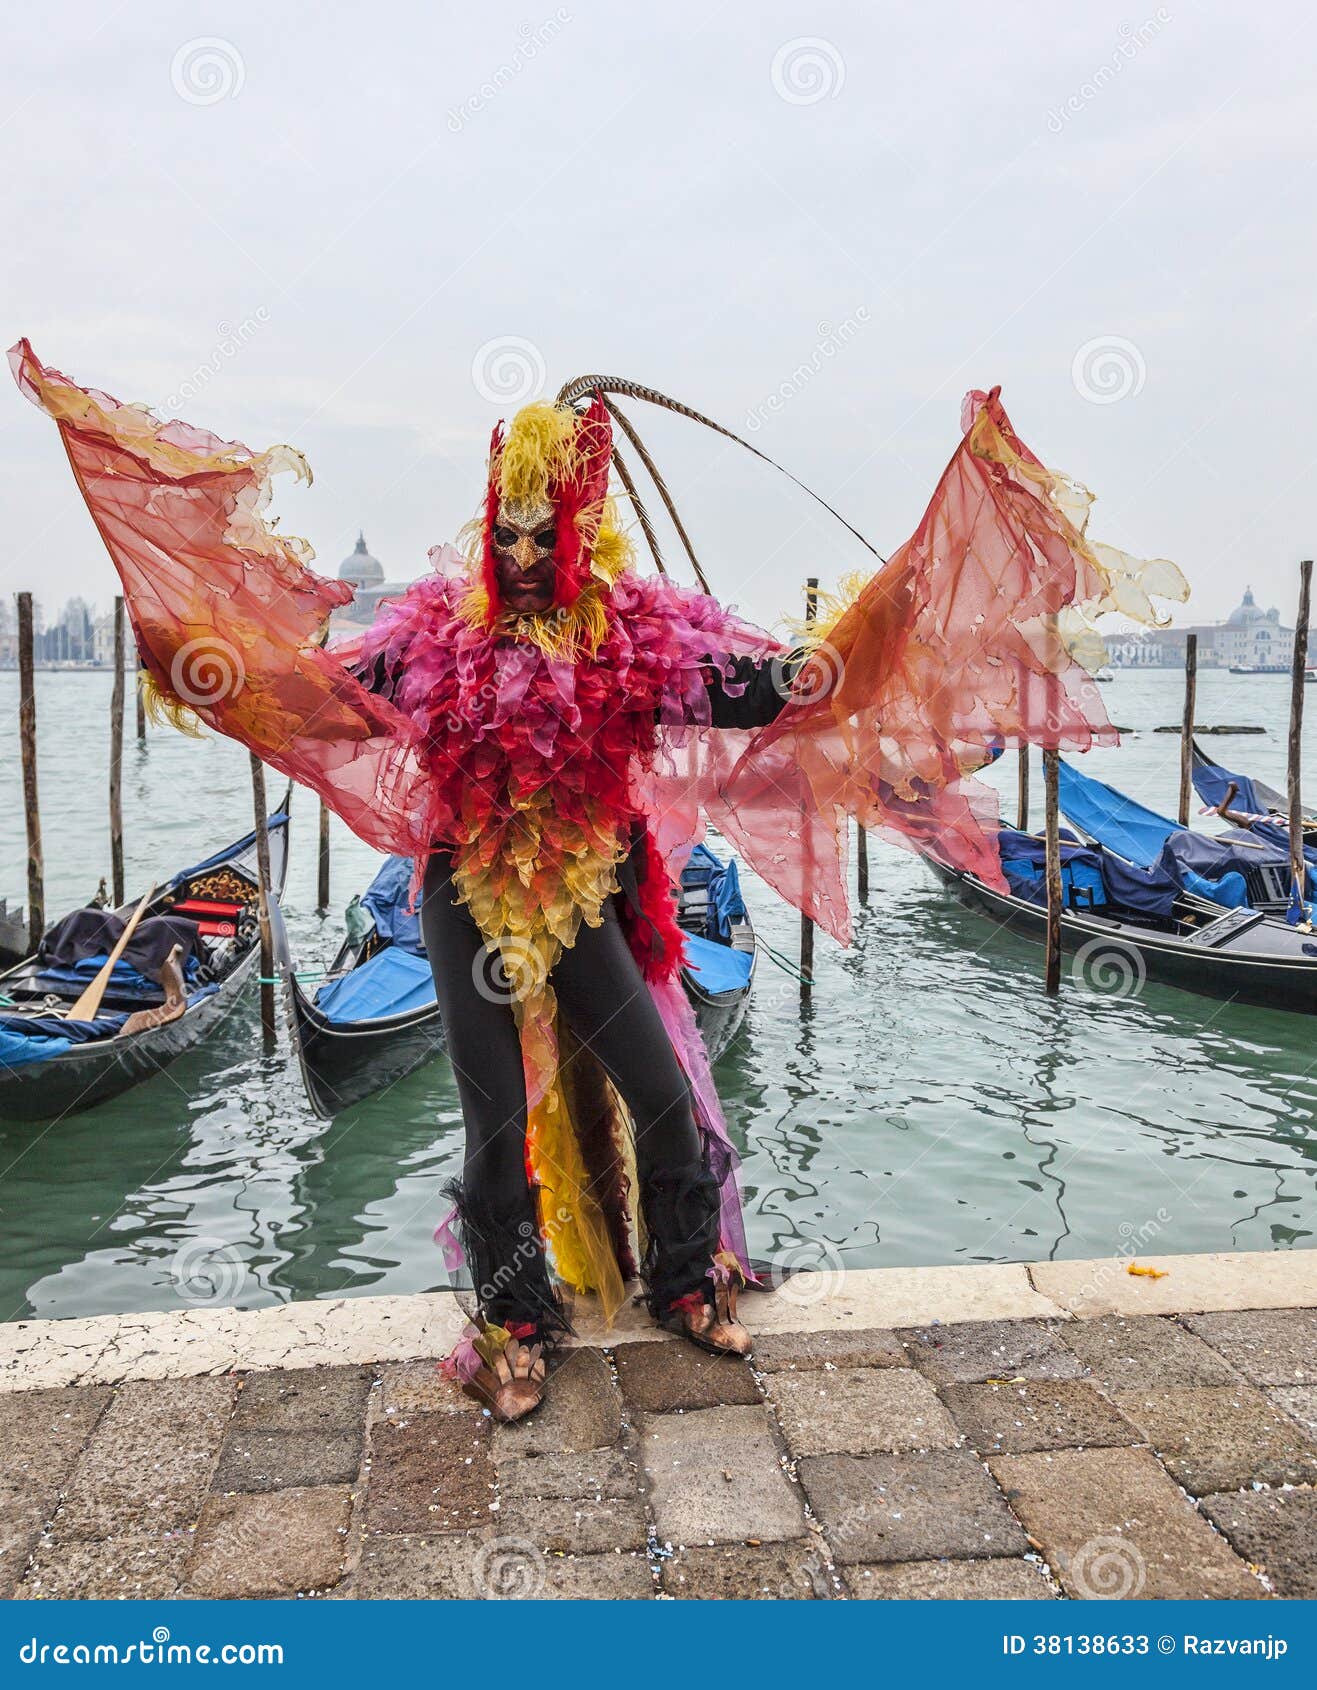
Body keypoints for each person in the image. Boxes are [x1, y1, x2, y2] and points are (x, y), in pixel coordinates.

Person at [11, 344, 1182, 1421]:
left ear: (578, 530)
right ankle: (515, 1318)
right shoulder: (425, 644)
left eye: (542, 533)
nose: (521, 554)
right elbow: (308, 695)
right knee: (496, 1123)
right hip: (464, 898)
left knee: (666, 1095)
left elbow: (769, 691)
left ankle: (684, 1280)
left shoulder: (640, 642)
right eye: (506, 531)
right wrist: (204, 656)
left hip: (581, 903)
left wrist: (887, 612)